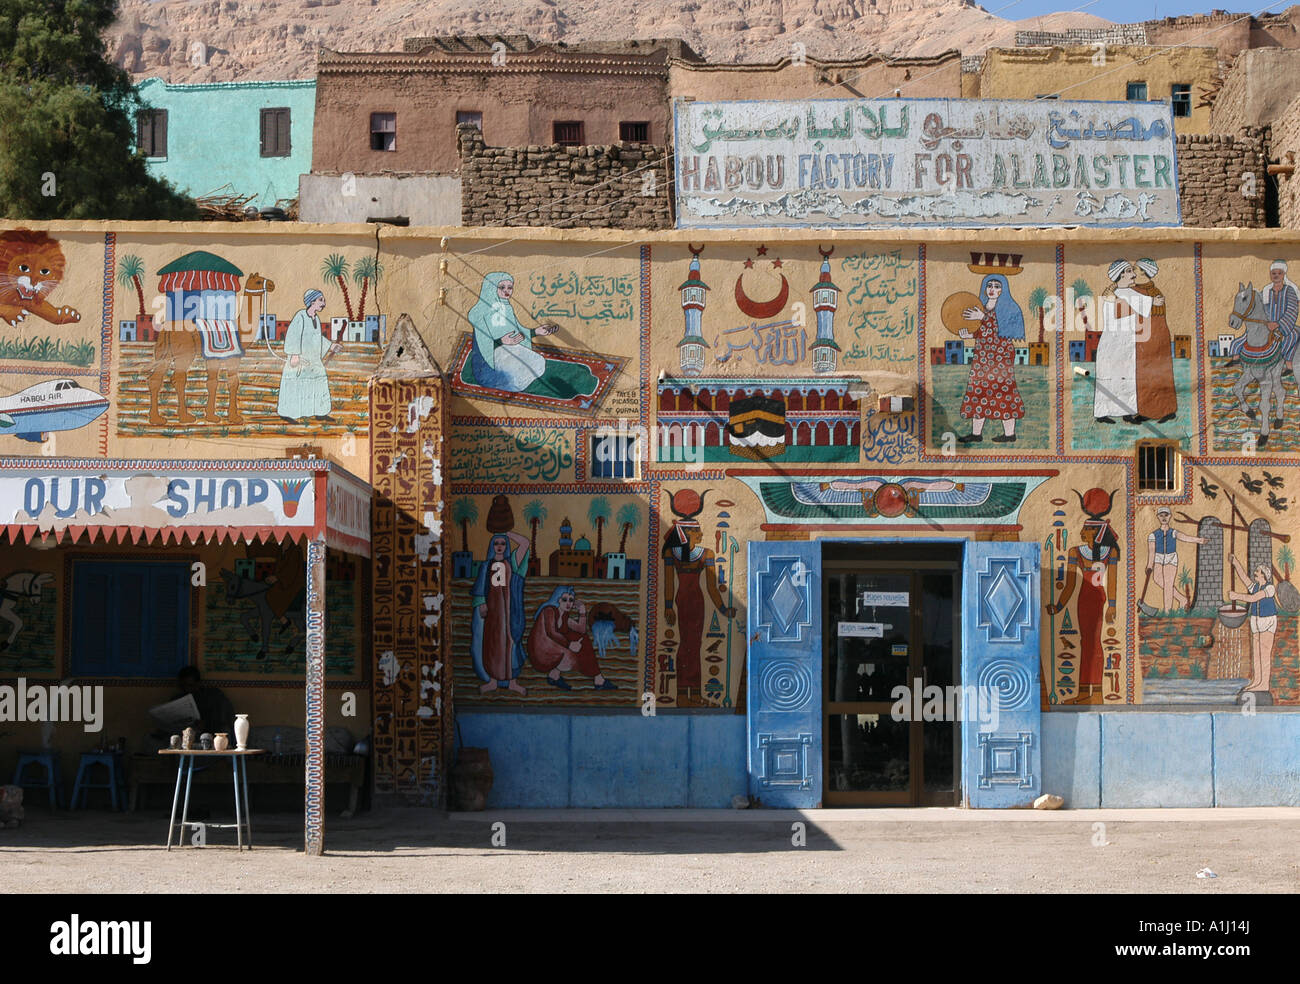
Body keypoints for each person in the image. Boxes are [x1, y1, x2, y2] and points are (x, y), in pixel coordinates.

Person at [465, 272, 597, 400]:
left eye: (510, 287)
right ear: (491, 287)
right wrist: (502, 341)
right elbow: (483, 341)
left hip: (508, 349)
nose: (507, 291)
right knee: (514, 377)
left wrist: (536, 332)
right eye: (502, 287)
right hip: (488, 359)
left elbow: (518, 330)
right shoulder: (479, 312)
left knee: (538, 362)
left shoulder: (507, 308)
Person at [1046, 488, 1120, 705]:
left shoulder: (1109, 553)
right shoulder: (1075, 552)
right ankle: (1086, 691)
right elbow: (1070, 584)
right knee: (1085, 643)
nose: (1081, 533)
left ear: (1095, 534)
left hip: (1097, 599)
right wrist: (1059, 606)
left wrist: (1112, 606)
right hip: (1084, 599)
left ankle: (1093, 692)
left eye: (1086, 530)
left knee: (1094, 644)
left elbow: (1112, 580)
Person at [662, 489, 735, 707]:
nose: (701, 535)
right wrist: (668, 607)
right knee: (687, 645)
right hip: (684, 601)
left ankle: (691, 693)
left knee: (693, 645)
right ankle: (685, 694)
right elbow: (669, 582)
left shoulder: (706, 554)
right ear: (687, 535)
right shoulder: (673, 554)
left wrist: (722, 609)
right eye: (698, 533)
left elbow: (712, 587)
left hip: (695, 601)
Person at [956, 273, 1025, 444]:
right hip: (982, 356)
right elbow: (982, 331)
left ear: (1003, 290)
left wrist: (984, 317)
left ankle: (1010, 434)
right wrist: (969, 334)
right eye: (989, 285)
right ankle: (976, 433)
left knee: (1004, 392)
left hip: (1000, 356)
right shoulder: (981, 308)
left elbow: (1002, 329)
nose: (992, 289)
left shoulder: (1009, 308)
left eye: (996, 286)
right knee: (978, 391)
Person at [1094, 259, 1158, 424]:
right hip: (1112, 342)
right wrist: (1153, 302)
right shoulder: (1115, 294)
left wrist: (1152, 302)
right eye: (1130, 271)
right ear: (1121, 274)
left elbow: (1142, 303)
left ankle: (1127, 412)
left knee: (1127, 377)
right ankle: (1102, 412)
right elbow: (1113, 318)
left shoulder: (1126, 293)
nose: (1134, 274)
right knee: (1108, 378)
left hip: (1126, 342)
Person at [469, 530, 530, 695]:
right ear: (491, 546)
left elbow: (525, 543)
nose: (500, 546)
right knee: (492, 645)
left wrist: (506, 531)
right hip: (493, 615)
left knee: (512, 644)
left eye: (503, 543)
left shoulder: (512, 563)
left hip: (511, 613)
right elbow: (480, 589)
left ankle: (512, 682)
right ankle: (493, 681)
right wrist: (481, 603)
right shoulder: (485, 566)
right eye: (496, 543)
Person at [527, 586, 616, 691]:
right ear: (558, 599)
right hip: (541, 650)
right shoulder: (549, 610)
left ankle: (555, 675)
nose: (568, 603)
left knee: (581, 638)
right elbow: (551, 633)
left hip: (553, 647)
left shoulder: (564, 615)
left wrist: (582, 613)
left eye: (571, 600)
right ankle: (598, 679)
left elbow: (581, 630)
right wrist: (569, 645)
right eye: (565, 600)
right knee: (573, 653)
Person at [1227, 260, 1299, 375]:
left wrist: (1279, 323)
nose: (1276, 276)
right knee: (1243, 338)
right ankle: (1236, 359)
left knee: (1292, 337)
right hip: (1267, 324)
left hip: (1285, 325)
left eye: (1279, 273)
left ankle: (1288, 364)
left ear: (1283, 274)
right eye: (1273, 273)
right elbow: (1259, 307)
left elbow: (1292, 309)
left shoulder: (1289, 290)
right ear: (1270, 275)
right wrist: (1265, 322)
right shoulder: (1266, 291)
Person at [277, 289, 341, 421]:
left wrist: (331, 345)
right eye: (320, 300)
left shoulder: (315, 318)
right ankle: (288, 413)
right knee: (295, 385)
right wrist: (294, 354)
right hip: (300, 359)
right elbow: (293, 335)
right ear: (312, 302)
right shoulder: (300, 316)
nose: (324, 303)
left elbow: (316, 338)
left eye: (323, 300)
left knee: (319, 381)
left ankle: (320, 412)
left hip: (313, 359)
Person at [1131, 258, 1178, 424]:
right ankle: (1144, 410)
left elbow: (1156, 319)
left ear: (1144, 272)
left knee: (1159, 375)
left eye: (1136, 270)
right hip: (1141, 340)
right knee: (1142, 376)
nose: (1134, 272)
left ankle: (1166, 410)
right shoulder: (1135, 291)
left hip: (1154, 339)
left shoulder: (1154, 292)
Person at [1228, 558, 1277, 703]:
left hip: (1267, 621)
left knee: (1264, 654)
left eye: (1257, 572)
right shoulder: (1255, 586)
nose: (1255, 573)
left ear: (1264, 575)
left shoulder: (1269, 588)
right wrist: (1236, 562)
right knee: (1256, 654)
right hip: (1256, 621)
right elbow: (1244, 578)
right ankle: (1257, 681)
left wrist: (1237, 596)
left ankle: (1264, 684)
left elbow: (1254, 598)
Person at [1146, 507, 1204, 611]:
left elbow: (1185, 537)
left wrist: (1199, 540)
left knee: (1168, 584)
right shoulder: (1153, 535)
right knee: (1157, 579)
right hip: (1158, 558)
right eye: (1161, 515)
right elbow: (1151, 551)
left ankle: (1167, 611)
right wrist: (1149, 565)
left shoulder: (1173, 532)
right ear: (1158, 517)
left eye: (1166, 515)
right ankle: (1182, 599)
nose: (1164, 518)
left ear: (1169, 517)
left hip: (1171, 558)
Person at [172, 666, 235, 736]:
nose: (187, 689)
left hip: (210, 735)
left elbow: (225, 719)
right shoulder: (177, 699)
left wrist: (205, 723)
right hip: (185, 736)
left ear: (198, 683)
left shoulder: (213, 696)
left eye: (190, 685)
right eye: (183, 686)